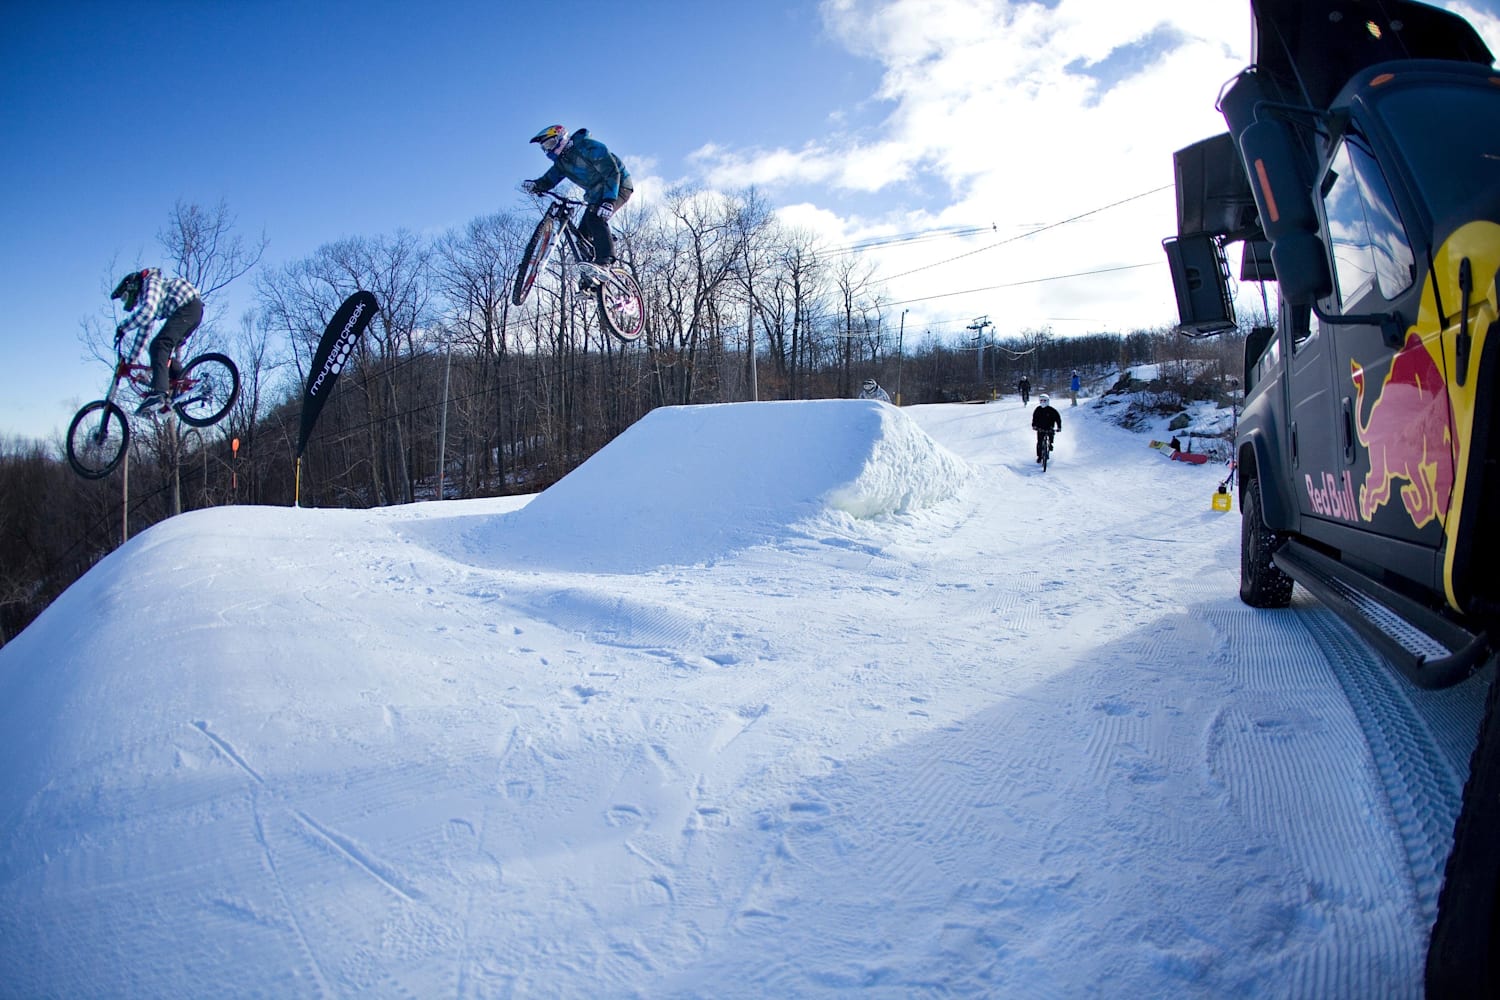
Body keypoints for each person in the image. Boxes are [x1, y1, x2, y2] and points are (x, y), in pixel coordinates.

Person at [523, 125, 633, 279]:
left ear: (561, 138)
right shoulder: (562, 163)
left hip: (619, 186)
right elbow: (549, 179)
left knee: (596, 218)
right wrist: (536, 186)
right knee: (581, 238)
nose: (548, 150)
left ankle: (605, 261)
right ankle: (590, 281)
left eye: (549, 144)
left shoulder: (588, 146)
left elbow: (612, 172)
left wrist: (609, 200)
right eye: (544, 147)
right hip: (596, 196)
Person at [111, 268, 204, 414]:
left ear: (132, 287)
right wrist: (132, 361)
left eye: (125, 297)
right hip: (191, 312)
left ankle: (159, 393)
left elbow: (147, 311)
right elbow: (143, 333)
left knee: (160, 345)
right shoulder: (149, 298)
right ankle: (177, 392)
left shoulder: (150, 282)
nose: (129, 303)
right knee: (163, 353)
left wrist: (123, 327)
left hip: (188, 308)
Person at [1031, 391, 1062, 463]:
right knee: (1039, 442)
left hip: (1049, 428)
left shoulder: (1052, 410)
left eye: (1044, 400)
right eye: (1041, 400)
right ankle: (1039, 456)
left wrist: (1059, 427)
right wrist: (1034, 426)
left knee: (1051, 436)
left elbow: (1058, 419)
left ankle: (1050, 444)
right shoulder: (1038, 409)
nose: (1043, 402)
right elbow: (1034, 418)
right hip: (1040, 428)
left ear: (1047, 401)